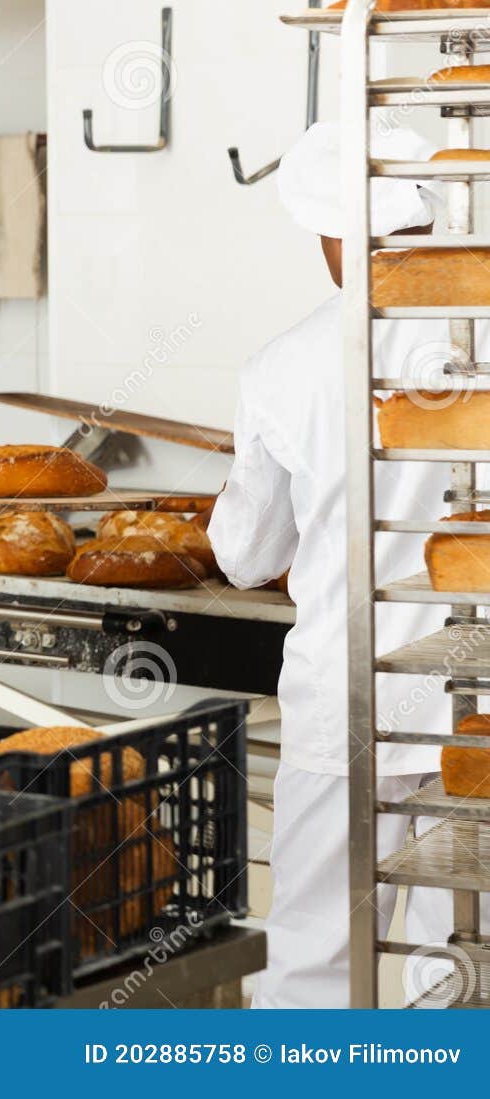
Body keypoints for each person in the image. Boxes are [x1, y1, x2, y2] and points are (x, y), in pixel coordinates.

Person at [209, 121, 472, 1008]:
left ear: (329, 232)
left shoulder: (282, 366)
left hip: (343, 703)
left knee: (314, 964)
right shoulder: (474, 343)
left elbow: (245, 558)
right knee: (459, 959)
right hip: (464, 705)